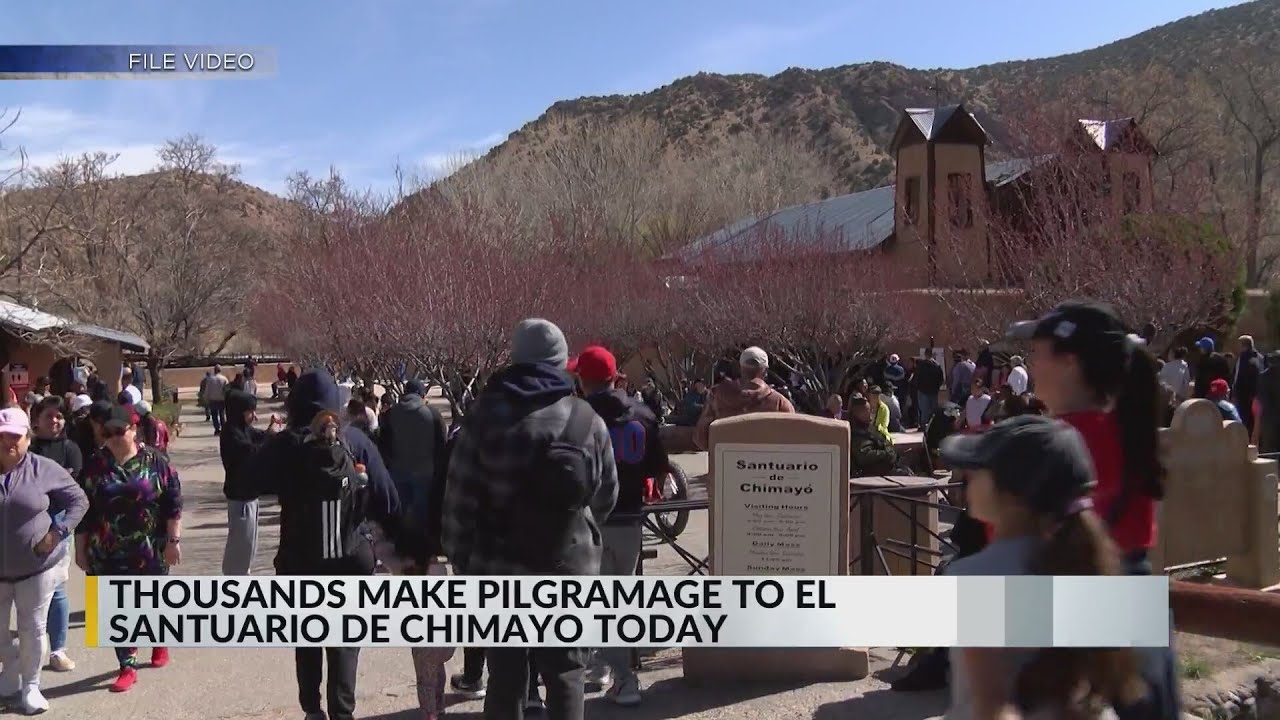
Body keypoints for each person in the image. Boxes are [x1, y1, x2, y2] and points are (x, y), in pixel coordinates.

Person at [940, 414, 1176, 718]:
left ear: (1011, 494)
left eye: (978, 470)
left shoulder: (974, 578)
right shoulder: (1098, 574)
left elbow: (991, 707)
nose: (967, 476)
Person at [1007, 301, 1180, 715]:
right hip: (1134, 593)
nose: (1032, 362)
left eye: (1039, 352)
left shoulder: (1056, 445)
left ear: (1069, 362)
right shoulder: (1126, 429)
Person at [443, 318, 618, 720]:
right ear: (559, 361)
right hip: (567, 567)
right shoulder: (586, 419)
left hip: (497, 568)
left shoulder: (482, 418)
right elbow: (606, 496)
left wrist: (461, 561)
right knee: (567, 673)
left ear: (515, 359)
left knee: (504, 675)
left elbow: (458, 500)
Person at [250, 368, 400, 720]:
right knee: (346, 641)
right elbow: (389, 500)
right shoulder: (355, 441)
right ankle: (342, 712)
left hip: (299, 558)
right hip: (351, 556)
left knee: (308, 639)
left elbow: (243, 484)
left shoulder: (285, 444)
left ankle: (312, 710)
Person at [569, 345, 667, 706]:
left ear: (583, 379)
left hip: (588, 523)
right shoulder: (643, 414)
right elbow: (659, 466)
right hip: (630, 519)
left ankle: (624, 678)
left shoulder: (574, 416)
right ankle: (605, 666)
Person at [76, 404, 182, 693]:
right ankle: (127, 665)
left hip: (149, 548)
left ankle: (159, 640)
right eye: (107, 433)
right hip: (107, 551)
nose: (112, 438)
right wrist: (80, 548)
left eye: (118, 432)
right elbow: (84, 511)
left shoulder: (156, 462)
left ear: (133, 430)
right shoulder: (95, 466)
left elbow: (172, 504)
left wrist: (173, 542)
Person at [0, 407, 87, 713]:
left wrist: (56, 534)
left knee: (32, 628)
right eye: (2, 436)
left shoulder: (44, 468)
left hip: (35, 568)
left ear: (27, 437)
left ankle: (31, 686)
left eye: (16, 436)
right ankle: (9, 675)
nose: (9, 442)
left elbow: (79, 500)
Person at [29, 396, 85, 674]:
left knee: (56, 589)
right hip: (24, 522)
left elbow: (69, 492)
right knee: (23, 589)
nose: (55, 421)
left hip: (57, 523)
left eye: (59, 417)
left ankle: (58, 649)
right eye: (49, 416)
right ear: (35, 420)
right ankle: (23, 655)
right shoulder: (25, 447)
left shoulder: (70, 449)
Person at [694, 347, 795, 450]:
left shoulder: (716, 396)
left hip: (725, 461)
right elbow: (793, 438)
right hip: (765, 463)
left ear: (740, 368)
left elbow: (700, 438)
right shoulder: (779, 402)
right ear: (765, 371)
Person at [220, 389, 269, 576]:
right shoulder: (231, 433)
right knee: (241, 542)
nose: (253, 416)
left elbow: (259, 437)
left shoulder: (243, 429)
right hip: (240, 496)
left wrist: (272, 433)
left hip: (250, 494)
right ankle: (235, 578)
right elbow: (250, 451)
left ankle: (242, 573)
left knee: (249, 543)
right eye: (250, 412)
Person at [848, 394, 897, 477]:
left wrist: (889, 450)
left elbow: (883, 441)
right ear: (859, 413)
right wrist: (885, 454)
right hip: (870, 474)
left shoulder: (869, 428)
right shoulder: (856, 432)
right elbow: (864, 455)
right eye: (867, 410)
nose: (870, 413)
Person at [1233, 335, 1263, 433]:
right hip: (1258, 396)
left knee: (1244, 423)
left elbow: (1237, 377)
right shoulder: (1260, 357)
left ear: (1243, 346)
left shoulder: (1243, 359)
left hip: (1243, 397)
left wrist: (1234, 393)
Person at [914, 352, 945, 430]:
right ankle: (934, 426)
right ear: (932, 355)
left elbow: (917, 377)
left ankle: (923, 426)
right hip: (933, 391)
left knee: (924, 409)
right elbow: (941, 379)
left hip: (923, 390)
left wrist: (918, 387)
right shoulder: (937, 365)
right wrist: (937, 387)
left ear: (925, 354)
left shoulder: (921, 365)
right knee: (933, 409)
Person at [205, 365, 230, 435]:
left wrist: (206, 398)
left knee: (214, 415)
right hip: (222, 399)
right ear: (220, 370)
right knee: (222, 414)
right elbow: (227, 389)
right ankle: (224, 428)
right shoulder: (224, 379)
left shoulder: (210, 379)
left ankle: (217, 429)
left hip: (213, 399)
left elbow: (207, 390)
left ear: (214, 370)